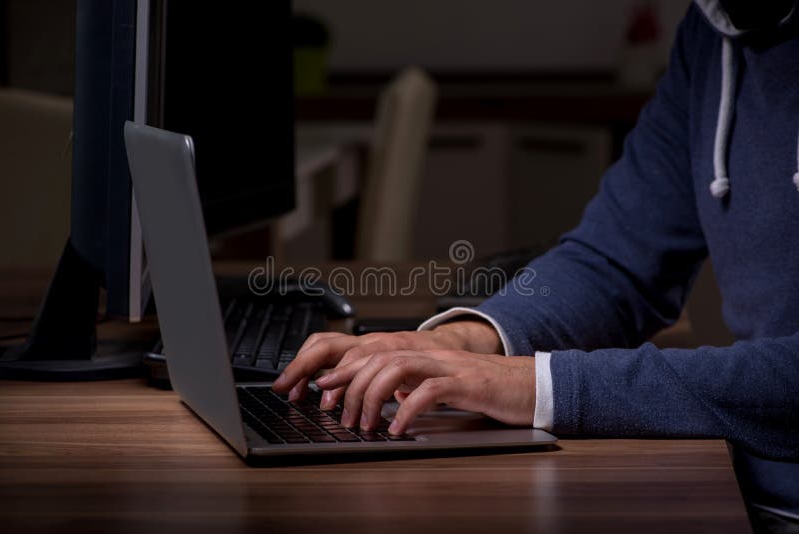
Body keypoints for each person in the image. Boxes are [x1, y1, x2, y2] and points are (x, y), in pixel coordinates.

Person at [273, 0, 799, 531]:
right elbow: (614, 261)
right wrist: (467, 340)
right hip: (750, 490)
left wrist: (542, 384)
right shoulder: (709, 30)